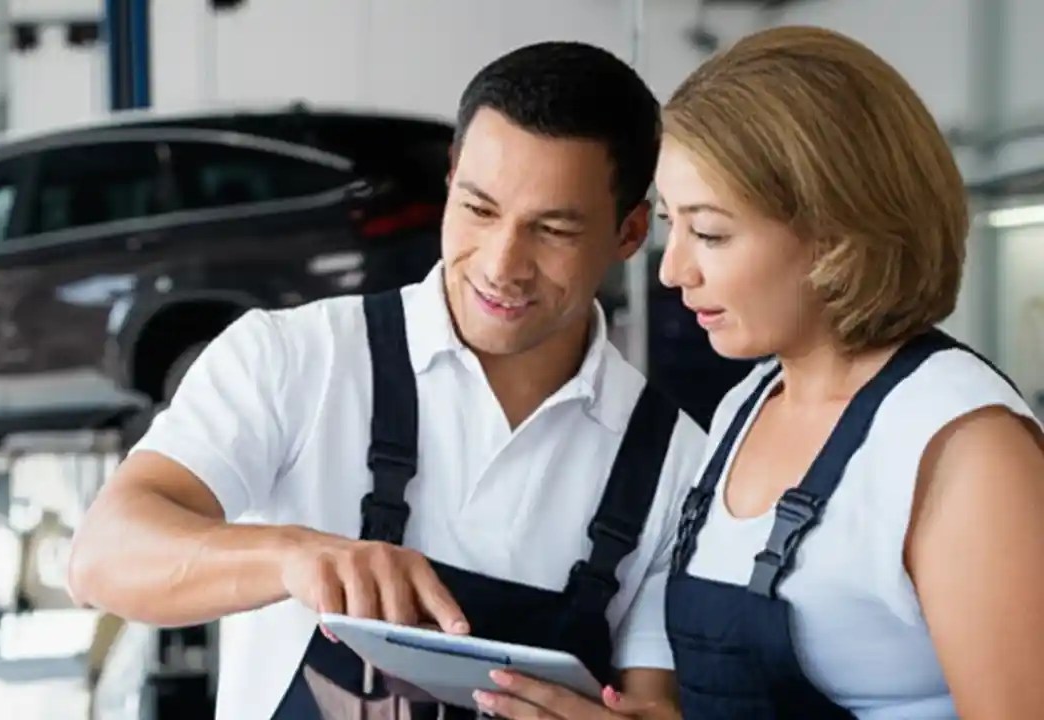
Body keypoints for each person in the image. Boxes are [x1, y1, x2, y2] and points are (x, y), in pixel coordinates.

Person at [67, 41, 708, 720]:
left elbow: (651, 704)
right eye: (479, 209)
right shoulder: (295, 359)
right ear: (451, 177)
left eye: (552, 229)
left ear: (631, 232)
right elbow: (102, 558)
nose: (501, 264)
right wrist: (293, 558)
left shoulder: (676, 467)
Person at [644, 25, 1044, 719]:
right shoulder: (745, 406)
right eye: (667, 223)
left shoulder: (965, 449)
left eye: (709, 232)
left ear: (836, 232)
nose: (673, 270)